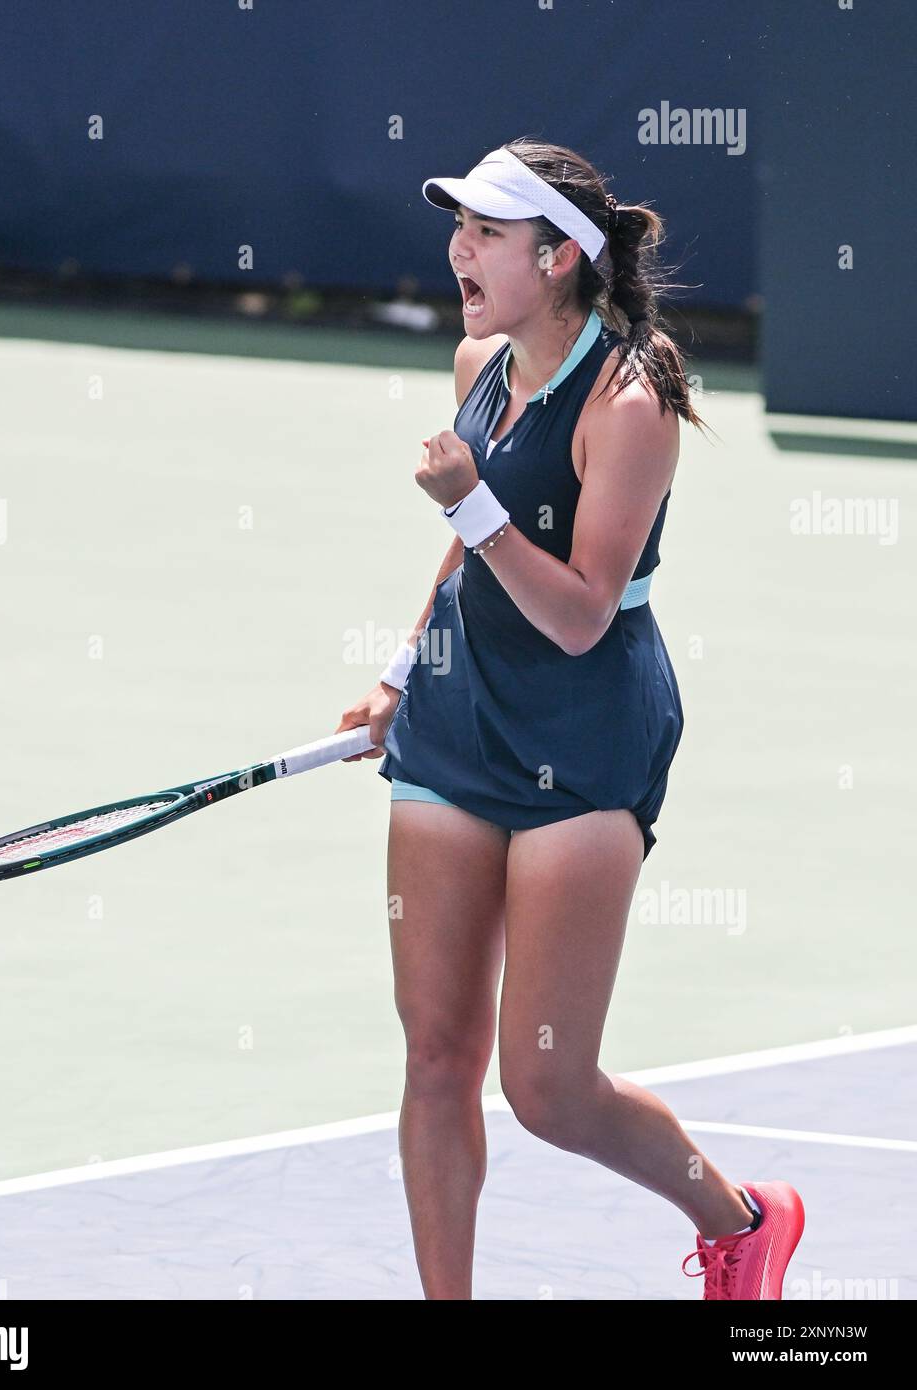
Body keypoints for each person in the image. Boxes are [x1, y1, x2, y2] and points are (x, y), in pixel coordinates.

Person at [335, 138, 804, 1301]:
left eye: (486, 233)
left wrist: (476, 500)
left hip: (585, 732)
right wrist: (401, 668)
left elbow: (585, 613)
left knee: (545, 1085)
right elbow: (466, 552)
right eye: (459, 229)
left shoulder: (629, 402)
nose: (458, 250)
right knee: (436, 1057)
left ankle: (741, 1220)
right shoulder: (479, 362)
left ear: (556, 258)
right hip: (455, 715)